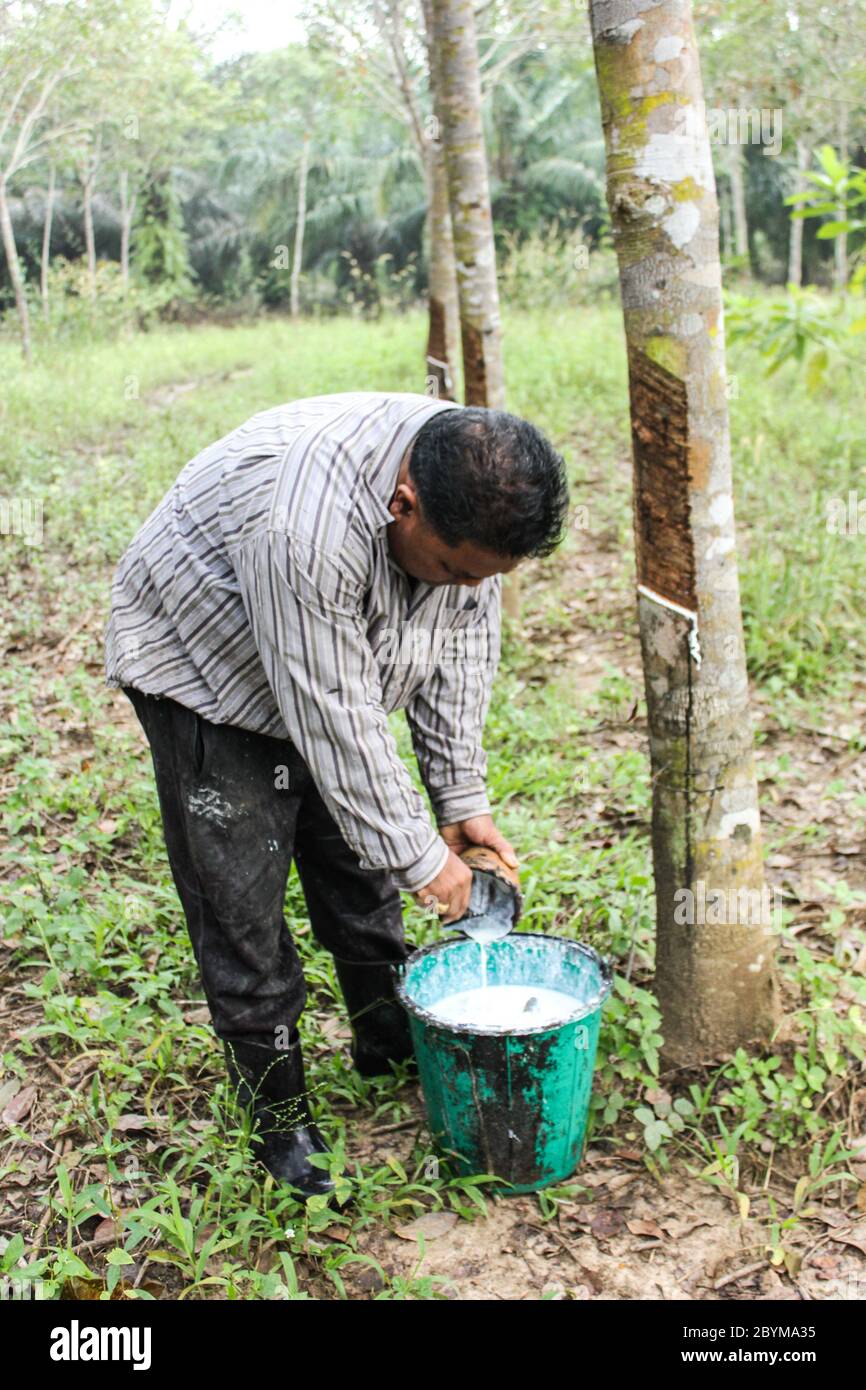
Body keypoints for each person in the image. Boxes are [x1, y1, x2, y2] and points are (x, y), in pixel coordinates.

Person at [105, 391, 568, 1198]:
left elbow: (457, 648)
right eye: (457, 570)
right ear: (403, 503)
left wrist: (459, 801)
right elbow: (334, 711)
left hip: (321, 656)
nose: (469, 586)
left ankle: (386, 1039)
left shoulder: (473, 493)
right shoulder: (301, 530)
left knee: (356, 864)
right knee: (243, 910)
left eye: (483, 579)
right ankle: (280, 1125)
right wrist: (424, 861)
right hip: (205, 665)